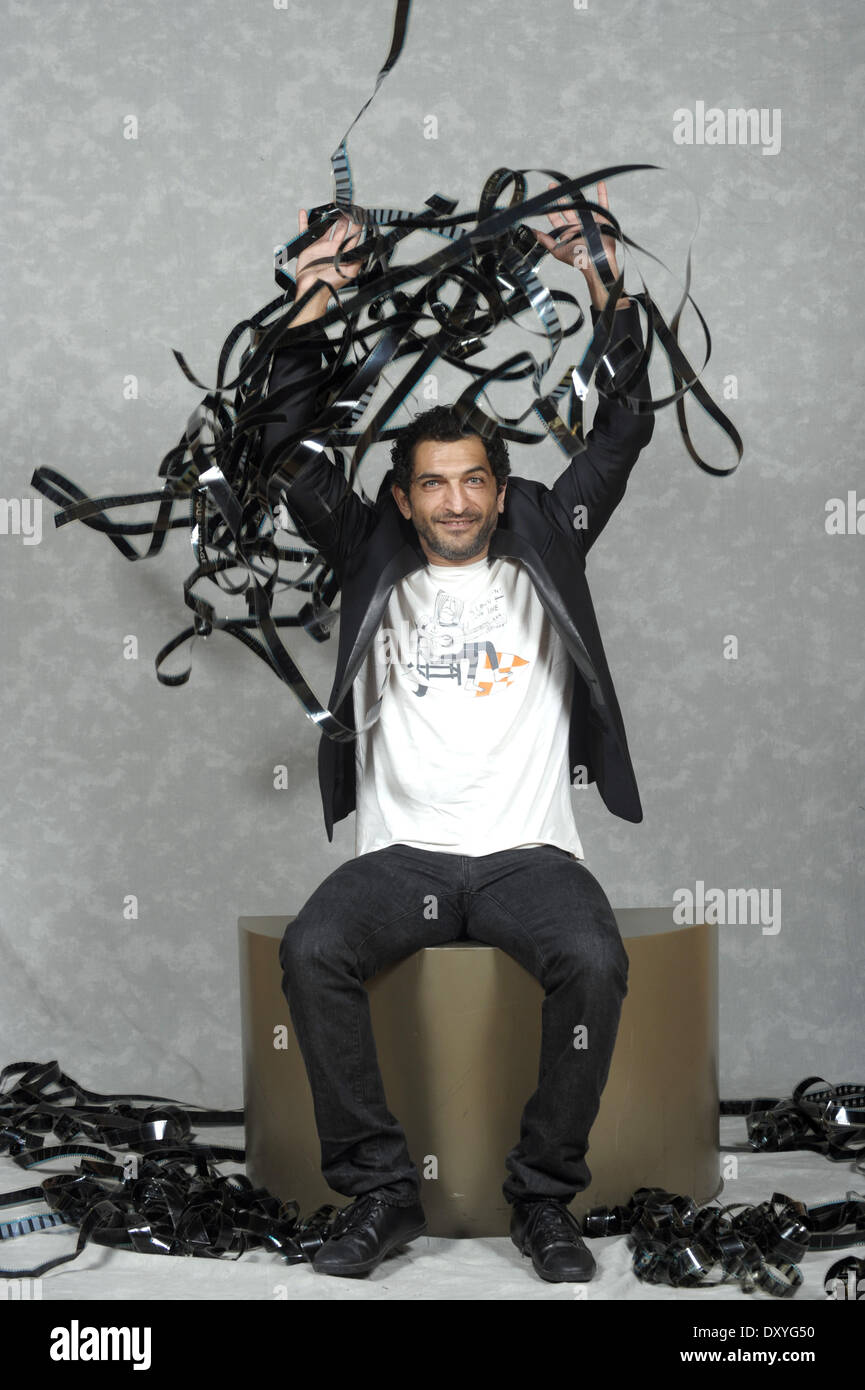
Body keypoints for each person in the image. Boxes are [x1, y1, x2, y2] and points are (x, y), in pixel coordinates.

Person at [261, 184, 655, 1282]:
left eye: (473, 479)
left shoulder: (550, 537)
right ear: (399, 497)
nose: (453, 501)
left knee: (592, 958)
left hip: (529, 855)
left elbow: (625, 426)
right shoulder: (364, 548)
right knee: (310, 951)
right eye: (431, 484)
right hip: (404, 859)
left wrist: (599, 267)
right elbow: (283, 435)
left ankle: (542, 1200)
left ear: (500, 484)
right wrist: (314, 296)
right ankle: (382, 1192)